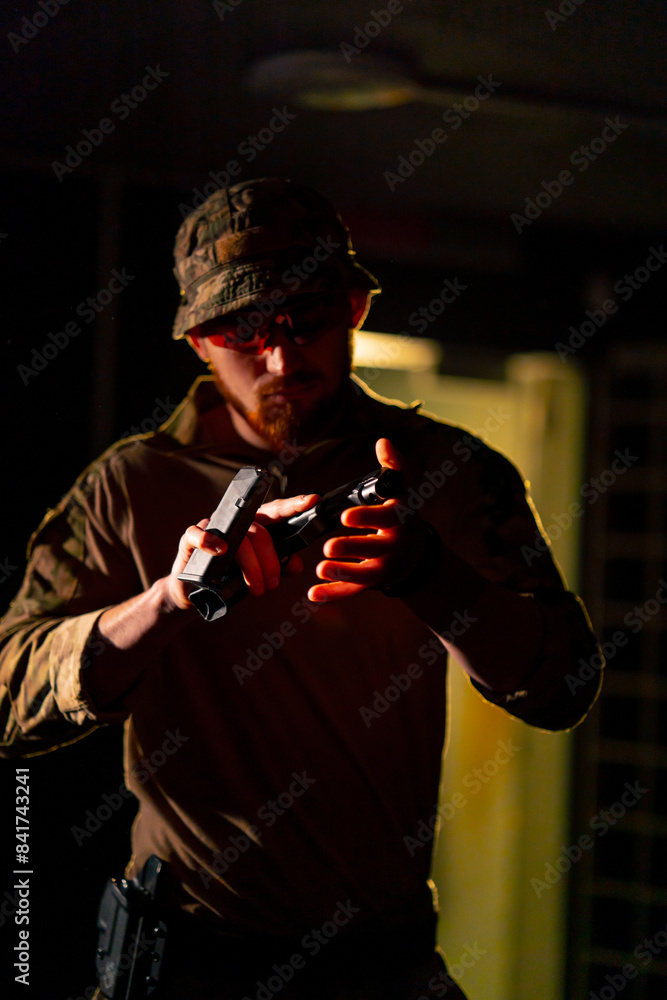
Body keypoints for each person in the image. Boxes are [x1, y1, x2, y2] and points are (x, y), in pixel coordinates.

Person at [0, 177, 602, 999]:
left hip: (377, 965)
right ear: (199, 342)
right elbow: (7, 699)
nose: (282, 360)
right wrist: (166, 602)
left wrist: (429, 577)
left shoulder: (450, 474)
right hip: (189, 964)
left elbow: (563, 682)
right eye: (245, 332)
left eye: (305, 320)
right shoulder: (128, 489)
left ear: (353, 306)